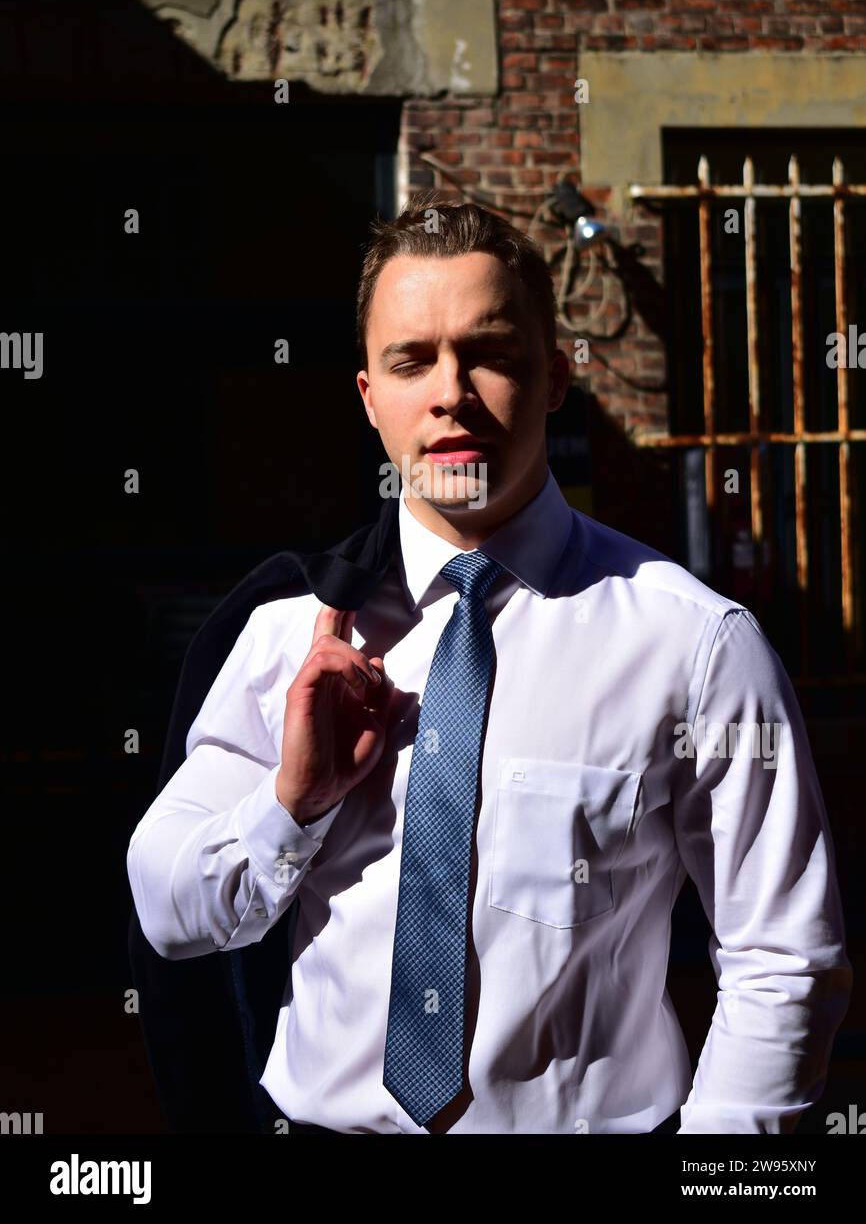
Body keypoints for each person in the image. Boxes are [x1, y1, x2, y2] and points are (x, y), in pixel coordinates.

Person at [127, 192, 852, 1134]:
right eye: (412, 360)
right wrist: (289, 805)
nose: (450, 392)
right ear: (370, 399)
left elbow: (783, 958)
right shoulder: (290, 637)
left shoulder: (696, 645)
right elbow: (168, 910)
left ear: (555, 377)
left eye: (491, 354)